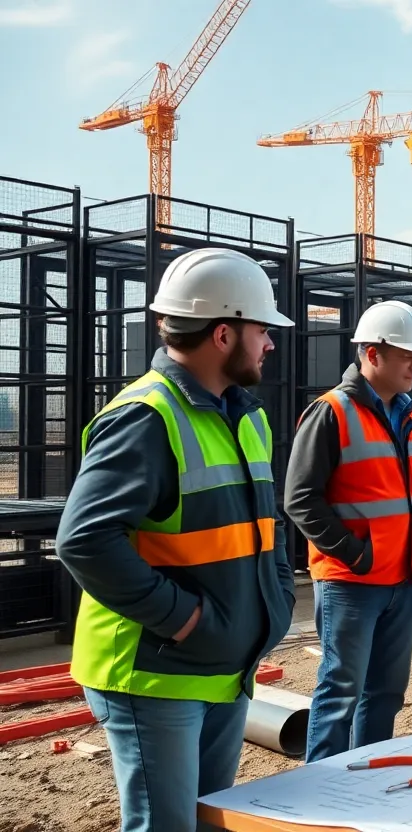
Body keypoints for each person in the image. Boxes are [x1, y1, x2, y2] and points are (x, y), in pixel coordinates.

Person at [55, 248, 297, 832]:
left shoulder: (246, 415)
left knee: (211, 820)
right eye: (261, 329)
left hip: (223, 666)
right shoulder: (146, 416)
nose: (269, 343)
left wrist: (275, 602)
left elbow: (267, 528)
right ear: (223, 333)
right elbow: (84, 539)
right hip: (154, 673)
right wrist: (186, 620)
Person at [284, 301, 412, 762]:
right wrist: (357, 554)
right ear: (373, 354)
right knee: (340, 693)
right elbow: (300, 499)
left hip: (403, 580)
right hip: (351, 584)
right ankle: (322, 789)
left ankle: (367, 781)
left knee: (386, 693)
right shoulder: (330, 412)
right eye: (408, 355)